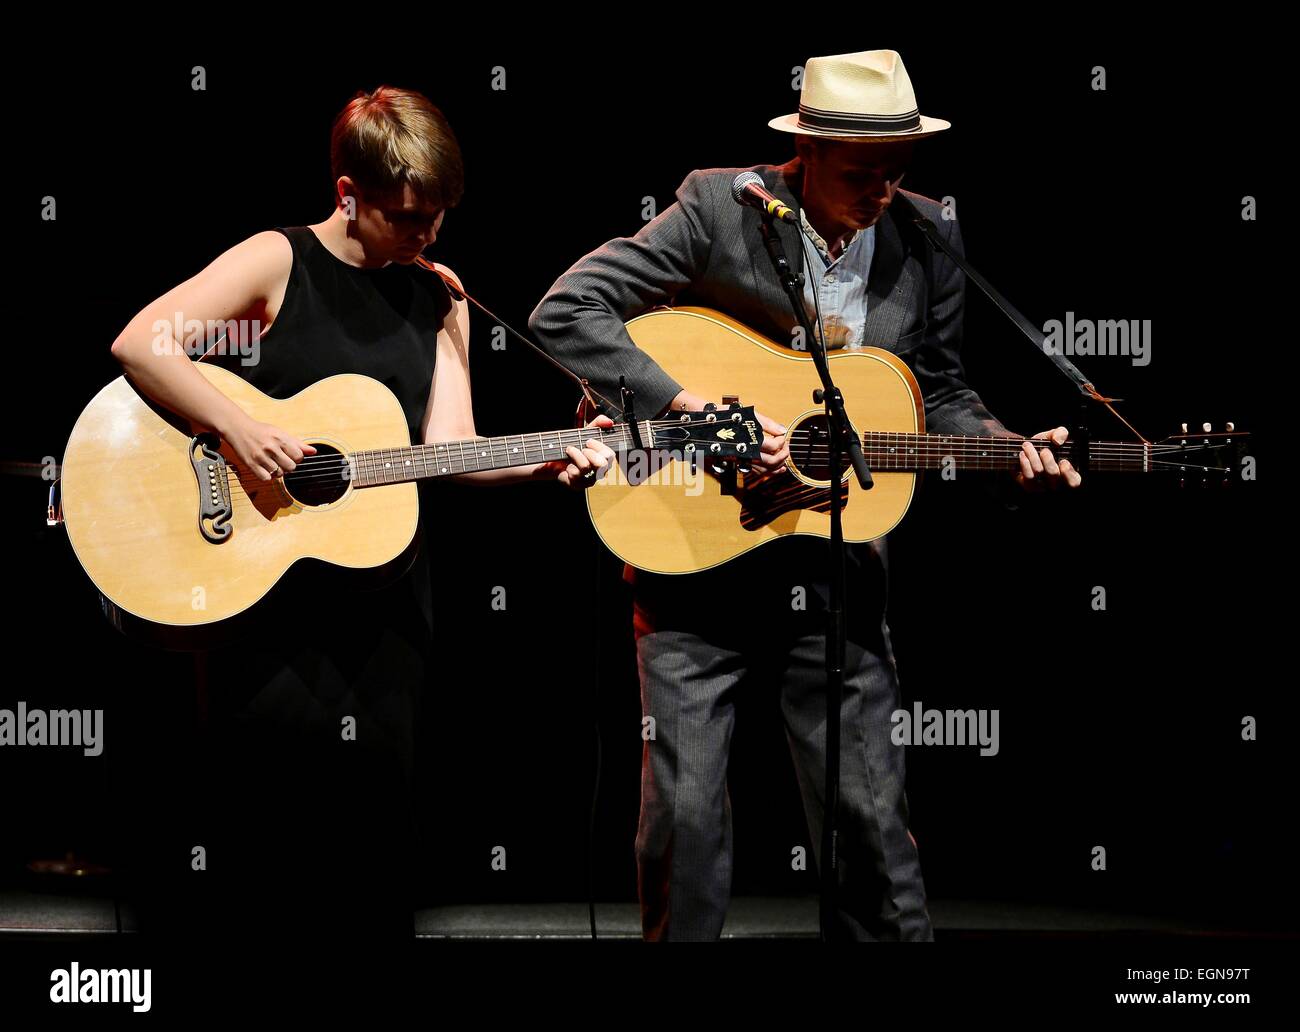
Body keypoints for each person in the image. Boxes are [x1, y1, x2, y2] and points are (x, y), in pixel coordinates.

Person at [529, 49, 1081, 941]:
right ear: (807, 151)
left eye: (898, 171)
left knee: (867, 819)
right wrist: (689, 405)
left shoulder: (927, 232)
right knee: (685, 818)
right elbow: (568, 312)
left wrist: (1007, 448)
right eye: (863, 173)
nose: (882, 191)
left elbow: (934, 391)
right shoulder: (721, 204)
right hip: (695, 559)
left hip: (836, 571)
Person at [108, 86, 616, 941]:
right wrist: (237, 424)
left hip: (381, 606)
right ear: (348, 193)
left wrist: (545, 459)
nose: (422, 235)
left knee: (373, 844)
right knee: (264, 836)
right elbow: (140, 341)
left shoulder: (440, 296)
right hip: (258, 589)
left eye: (438, 218)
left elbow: (451, 446)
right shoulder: (278, 260)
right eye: (404, 216)